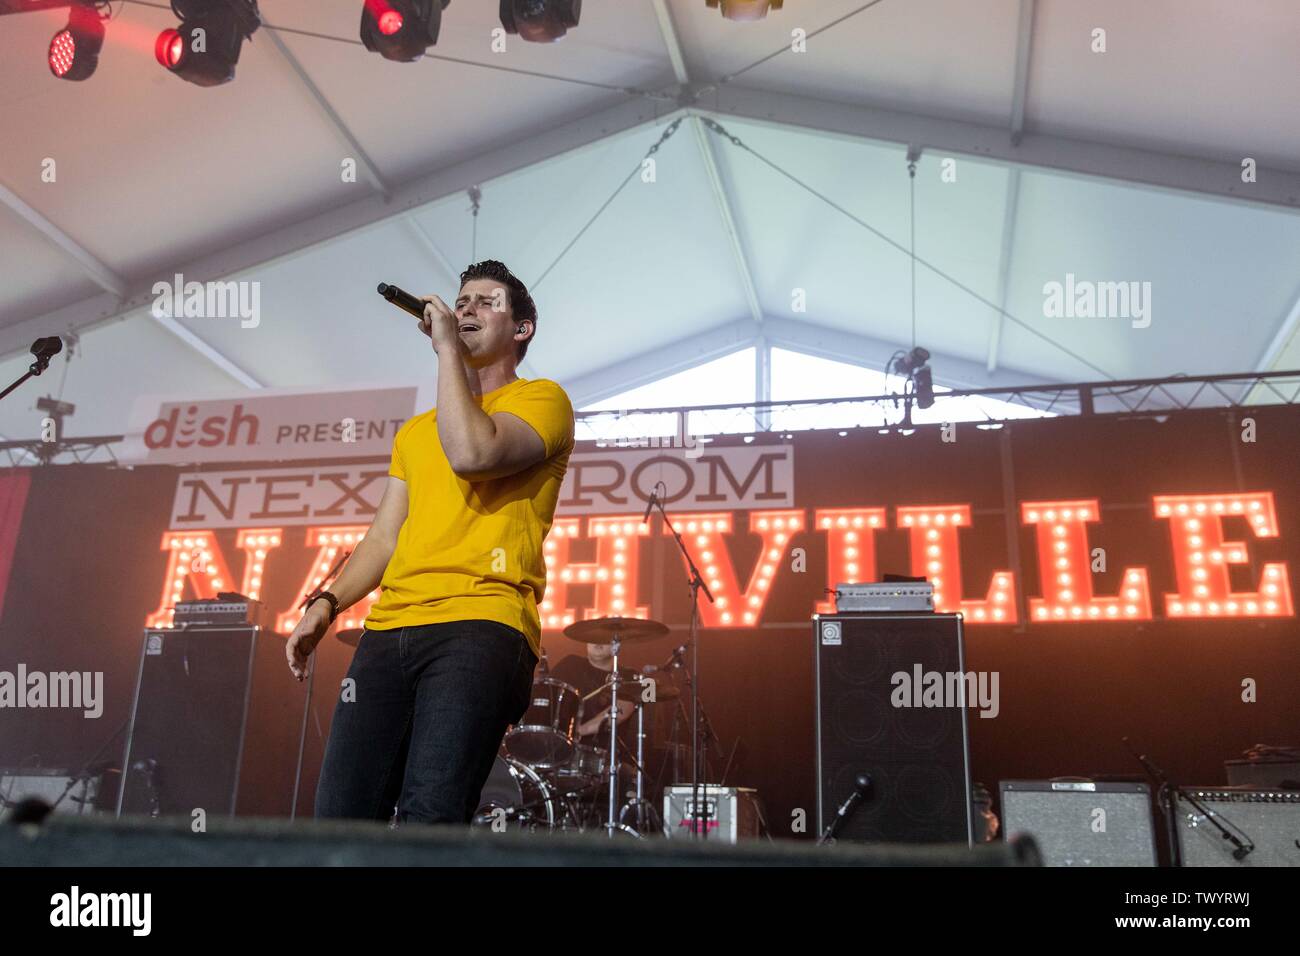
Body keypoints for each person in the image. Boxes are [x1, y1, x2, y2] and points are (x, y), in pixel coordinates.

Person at [285, 260, 575, 824]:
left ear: (522, 330)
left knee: (431, 814)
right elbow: (385, 535)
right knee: (341, 815)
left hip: (480, 625)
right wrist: (325, 603)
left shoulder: (542, 399)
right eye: (461, 301)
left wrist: (446, 352)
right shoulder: (416, 432)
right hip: (388, 631)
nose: (466, 309)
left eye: (487, 302)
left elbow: (473, 455)